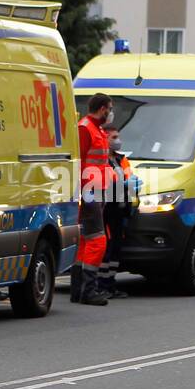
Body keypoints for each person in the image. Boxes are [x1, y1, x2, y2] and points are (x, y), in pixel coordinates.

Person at [72, 93, 114, 306]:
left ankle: (79, 290)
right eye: (109, 108)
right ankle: (88, 290)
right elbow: (79, 162)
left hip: (96, 191)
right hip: (89, 192)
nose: (110, 113)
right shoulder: (85, 128)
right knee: (97, 240)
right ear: (102, 108)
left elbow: (100, 163)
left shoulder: (96, 129)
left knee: (86, 241)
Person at [98, 126, 142, 299]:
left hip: (120, 209)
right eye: (114, 137)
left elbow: (130, 179)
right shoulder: (101, 161)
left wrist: (133, 186)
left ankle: (110, 285)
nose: (118, 140)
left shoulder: (121, 159)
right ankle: (101, 286)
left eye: (118, 136)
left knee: (116, 248)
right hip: (106, 208)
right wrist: (122, 183)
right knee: (106, 248)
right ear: (105, 139)